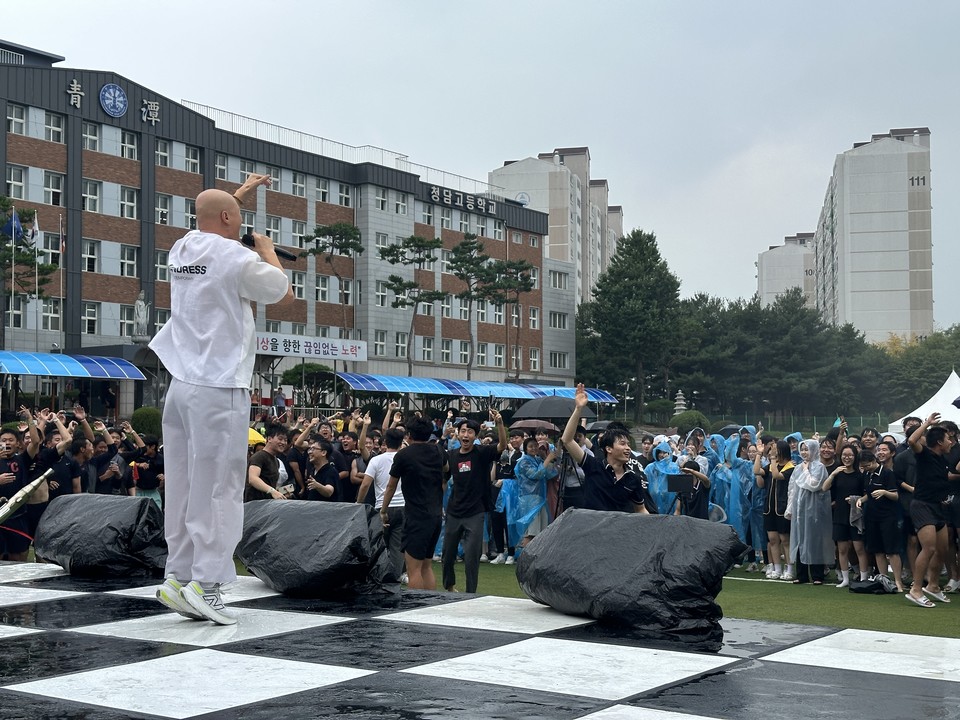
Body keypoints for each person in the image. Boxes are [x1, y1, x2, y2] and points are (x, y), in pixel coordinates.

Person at [149, 173, 290, 625]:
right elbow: (279, 290)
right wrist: (265, 248)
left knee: (186, 483)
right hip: (219, 383)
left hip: (181, 382)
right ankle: (207, 585)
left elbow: (211, 213)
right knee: (221, 486)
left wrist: (237, 198)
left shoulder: (183, 248)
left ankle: (179, 576)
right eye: (240, 214)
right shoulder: (235, 257)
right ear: (230, 219)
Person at [560, 384, 653, 513]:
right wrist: (578, 409)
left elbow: (641, 509)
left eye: (628, 445)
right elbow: (567, 440)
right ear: (609, 449)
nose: (627, 449)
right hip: (591, 529)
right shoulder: (593, 466)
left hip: (617, 531)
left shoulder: (633, 479)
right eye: (622, 444)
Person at [441, 412, 506, 592]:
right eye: (463, 431)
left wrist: (499, 424)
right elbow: (444, 480)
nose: (466, 435)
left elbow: (502, 445)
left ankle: (470, 594)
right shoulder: (452, 455)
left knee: (471, 556)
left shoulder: (482, 453)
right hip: (454, 512)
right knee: (447, 555)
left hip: (475, 513)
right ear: (458, 433)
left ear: (475, 436)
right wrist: (439, 503)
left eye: (470, 432)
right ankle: (449, 587)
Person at [381, 416, 448, 591]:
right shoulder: (438, 451)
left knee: (413, 569)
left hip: (416, 516)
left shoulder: (404, 455)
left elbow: (391, 485)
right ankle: (429, 604)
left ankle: (416, 607)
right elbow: (447, 470)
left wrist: (383, 510)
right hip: (435, 515)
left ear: (408, 435)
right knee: (426, 566)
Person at [905, 413, 959, 608]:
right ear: (938, 442)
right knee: (929, 548)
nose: (951, 442)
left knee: (943, 549)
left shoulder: (943, 460)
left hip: (937, 507)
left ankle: (933, 586)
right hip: (922, 506)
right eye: (948, 439)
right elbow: (911, 440)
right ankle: (916, 589)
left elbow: (944, 478)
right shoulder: (925, 454)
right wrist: (927, 423)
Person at [357, 428, 405, 581]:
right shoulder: (405, 457)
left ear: (385, 442)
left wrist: (359, 503)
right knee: (397, 548)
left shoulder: (376, 460)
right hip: (403, 505)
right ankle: (395, 579)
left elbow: (365, 484)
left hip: (381, 507)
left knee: (378, 545)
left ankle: (378, 577)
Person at [787, 439, 834, 585]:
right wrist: (790, 508)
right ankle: (801, 574)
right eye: (802, 449)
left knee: (814, 540)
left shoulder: (819, 467)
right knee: (800, 539)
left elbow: (814, 484)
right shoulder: (797, 468)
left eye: (807, 449)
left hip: (814, 510)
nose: (804, 453)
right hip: (800, 510)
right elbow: (792, 489)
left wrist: (806, 470)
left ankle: (817, 574)